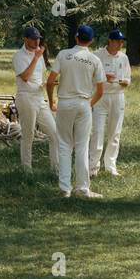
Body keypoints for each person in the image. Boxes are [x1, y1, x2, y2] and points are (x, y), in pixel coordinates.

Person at [47, 24, 106, 199]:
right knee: (82, 147)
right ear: (92, 40)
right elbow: (101, 90)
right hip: (83, 103)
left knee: (64, 145)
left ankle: (65, 188)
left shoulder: (63, 54)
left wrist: (51, 100)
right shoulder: (94, 60)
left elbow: (50, 82)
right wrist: (90, 104)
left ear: (76, 38)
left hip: (65, 103)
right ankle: (82, 188)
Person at [12, 25, 58, 175]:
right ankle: (27, 170)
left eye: (38, 39)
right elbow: (25, 77)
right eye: (33, 39)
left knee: (55, 133)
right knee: (28, 134)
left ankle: (56, 169)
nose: (37, 42)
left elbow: (40, 76)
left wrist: (47, 84)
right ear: (25, 39)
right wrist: (37, 57)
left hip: (39, 97)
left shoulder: (38, 55)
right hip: (26, 97)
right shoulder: (19, 56)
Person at [91, 28, 131, 177]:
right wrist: (103, 77)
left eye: (122, 42)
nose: (120, 44)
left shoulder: (123, 57)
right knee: (98, 131)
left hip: (118, 95)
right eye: (118, 41)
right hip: (101, 96)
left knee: (115, 132)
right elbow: (90, 77)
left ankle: (111, 165)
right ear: (110, 41)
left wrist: (126, 82)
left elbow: (128, 77)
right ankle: (93, 166)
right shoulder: (97, 56)